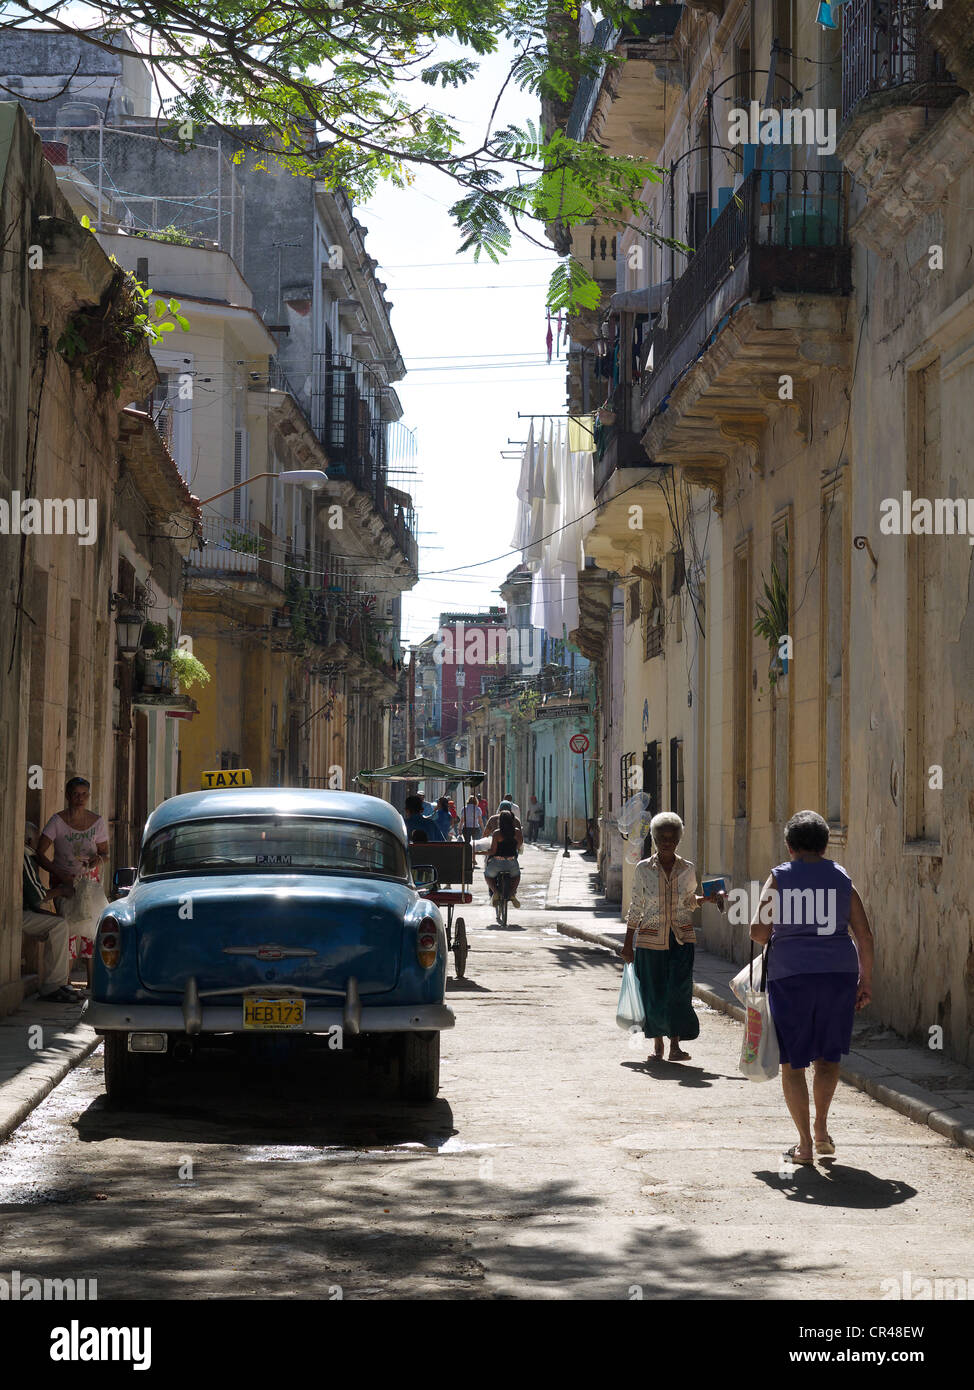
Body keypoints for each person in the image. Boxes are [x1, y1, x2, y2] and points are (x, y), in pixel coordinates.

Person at [750, 809, 874, 1166]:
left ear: (789, 846)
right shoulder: (841, 878)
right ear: (824, 845)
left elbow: (758, 932)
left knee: (794, 1063)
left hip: (791, 977)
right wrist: (866, 980)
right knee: (828, 1056)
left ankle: (804, 1145)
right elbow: (864, 934)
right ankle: (821, 1129)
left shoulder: (779, 878)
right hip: (838, 975)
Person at [620, 811, 724, 1062]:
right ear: (655, 839)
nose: (667, 842)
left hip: (681, 940)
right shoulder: (643, 869)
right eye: (662, 837)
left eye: (672, 837)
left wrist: (706, 899)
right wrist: (627, 944)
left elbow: (688, 901)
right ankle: (657, 1045)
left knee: (678, 992)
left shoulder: (688, 869)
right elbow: (636, 906)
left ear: (678, 839)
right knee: (654, 993)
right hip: (649, 941)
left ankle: (675, 1045)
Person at [38, 776, 109, 990]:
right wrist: (59, 872)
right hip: (64, 883)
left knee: (90, 926)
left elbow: (105, 853)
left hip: (90, 882)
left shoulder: (97, 821)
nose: (80, 798)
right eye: (76, 794)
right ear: (68, 796)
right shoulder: (57, 821)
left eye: (84, 794)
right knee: (67, 926)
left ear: (89, 796)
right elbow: (39, 853)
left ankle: (91, 982)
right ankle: (64, 981)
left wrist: (98, 859)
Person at [22, 822, 74, 1003]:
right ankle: (52, 985)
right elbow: (38, 895)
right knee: (59, 926)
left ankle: (58, 983)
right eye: (36, 841)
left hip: (23, 911)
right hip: (16, 915)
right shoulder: (24, 857)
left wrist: (46, 914)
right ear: (29, 840)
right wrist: (62, 890)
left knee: (58, 924)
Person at [483, 808, 522, 910]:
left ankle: (495, 892)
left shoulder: (497, 833)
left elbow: (492, 851)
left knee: (487, 875)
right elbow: (519, 846)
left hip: (497, 863)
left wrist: (480, 852)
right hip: (511, 863)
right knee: (517, 876)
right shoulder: (517, 832)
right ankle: (512, 893)